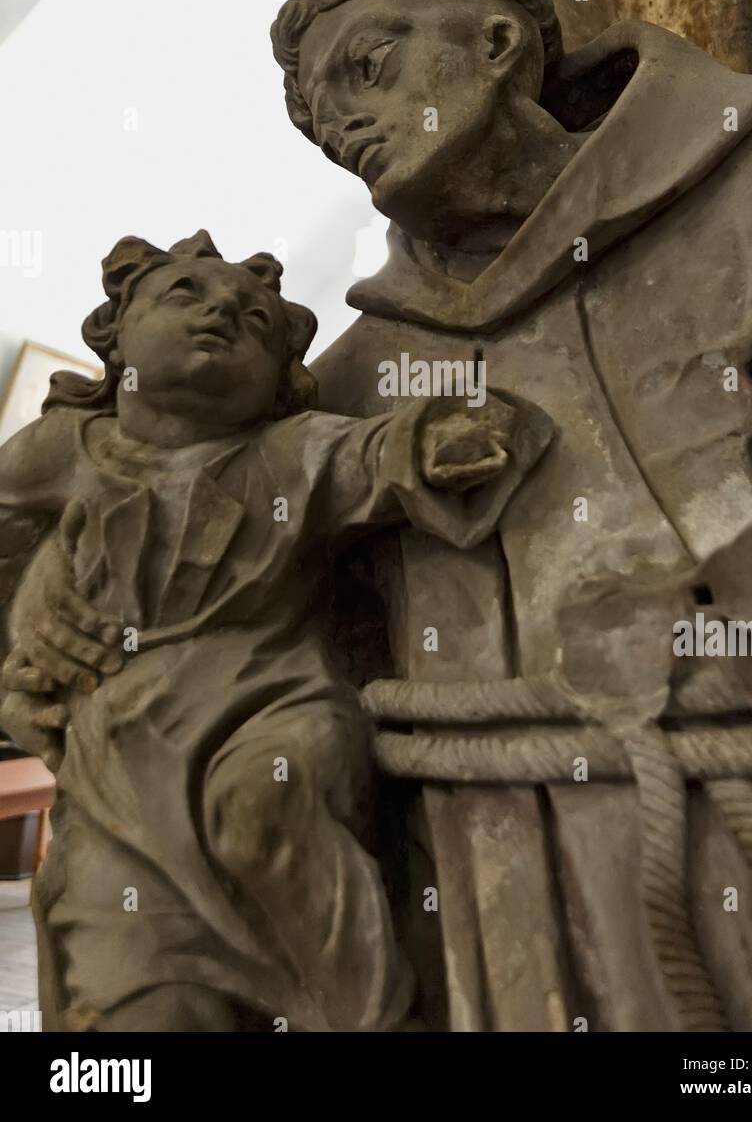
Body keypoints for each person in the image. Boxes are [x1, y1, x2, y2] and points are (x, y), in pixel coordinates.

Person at [261, 0, 752, 1031]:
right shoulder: (354, 383)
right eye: (316, 120)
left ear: (497, 44)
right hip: (486, 874)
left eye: (369, 66)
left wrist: (751, 623)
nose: (341, 121)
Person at [0, 228, 552, 1032]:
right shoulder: (54, 453)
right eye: (185, 294)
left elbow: (378, 451)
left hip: (269, 710)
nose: (221, 313)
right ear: (115, 336)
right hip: (114, 774)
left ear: (279, 382)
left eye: (253, 320)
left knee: (260, 803)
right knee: (125, 998)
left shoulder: (289, 453)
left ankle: (368, 1015)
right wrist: (26, 628)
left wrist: (438, 442)